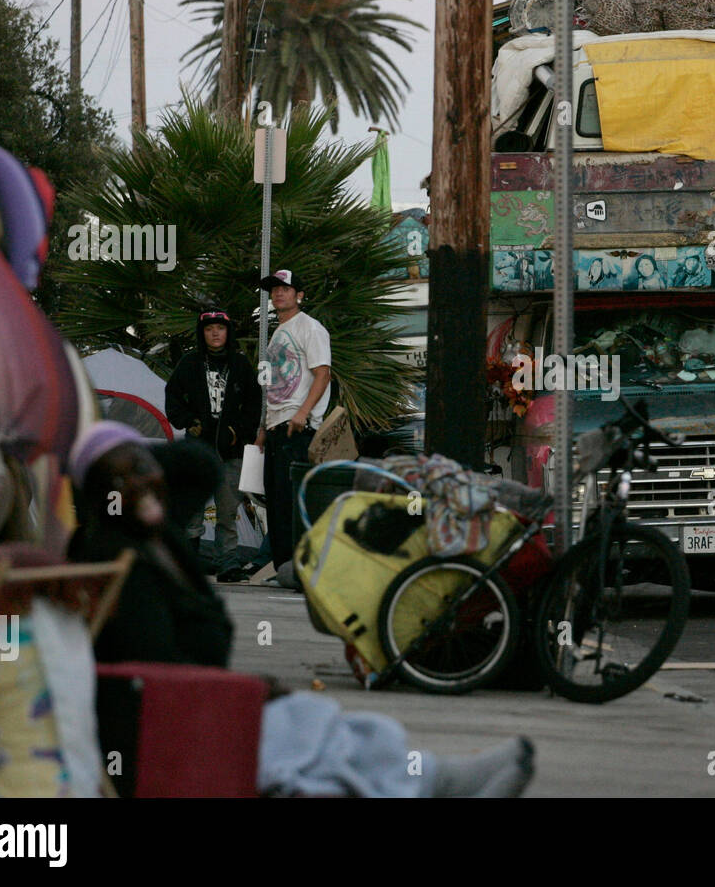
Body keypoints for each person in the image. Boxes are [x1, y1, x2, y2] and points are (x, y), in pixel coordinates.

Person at [66, 422, 534, 798]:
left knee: (332, 723)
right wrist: (240, 692)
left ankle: (435, 779)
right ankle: (432, 784)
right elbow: (158, 671)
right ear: (95, 499)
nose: (136, 483)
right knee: (311, 734)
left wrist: (132, 462)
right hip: (168, 724)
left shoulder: (158, 536)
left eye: (143, 467)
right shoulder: (116, 558)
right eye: (116, 480)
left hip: (202, 703)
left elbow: (202, 465)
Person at [164, 309, 262, 582]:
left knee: (228, 511)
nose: (215, 333)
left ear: (228, 332)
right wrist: (187, 421)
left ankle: (228, 565)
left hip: (230, 450)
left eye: (220, 328)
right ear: (202, 333)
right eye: (209, 329)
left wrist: (239, 431)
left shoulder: (240, 364)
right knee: (193, 510)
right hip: (197, 449)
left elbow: (255, 404)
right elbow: (172, 396)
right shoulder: (189, 363)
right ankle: (187, 565)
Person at [255, 269, 332, 575]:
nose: (278, 294)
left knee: (292, 502)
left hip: (297, 426)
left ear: (299, 294)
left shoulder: (310, 328)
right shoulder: (277, 332)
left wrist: (303, 413)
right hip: (276, 424)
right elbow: (273, 383)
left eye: (285, 289)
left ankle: (299, 570)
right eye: (274, 289)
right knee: (275, 502)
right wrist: (263, 426)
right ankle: (284, 569)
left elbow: (323, 373)